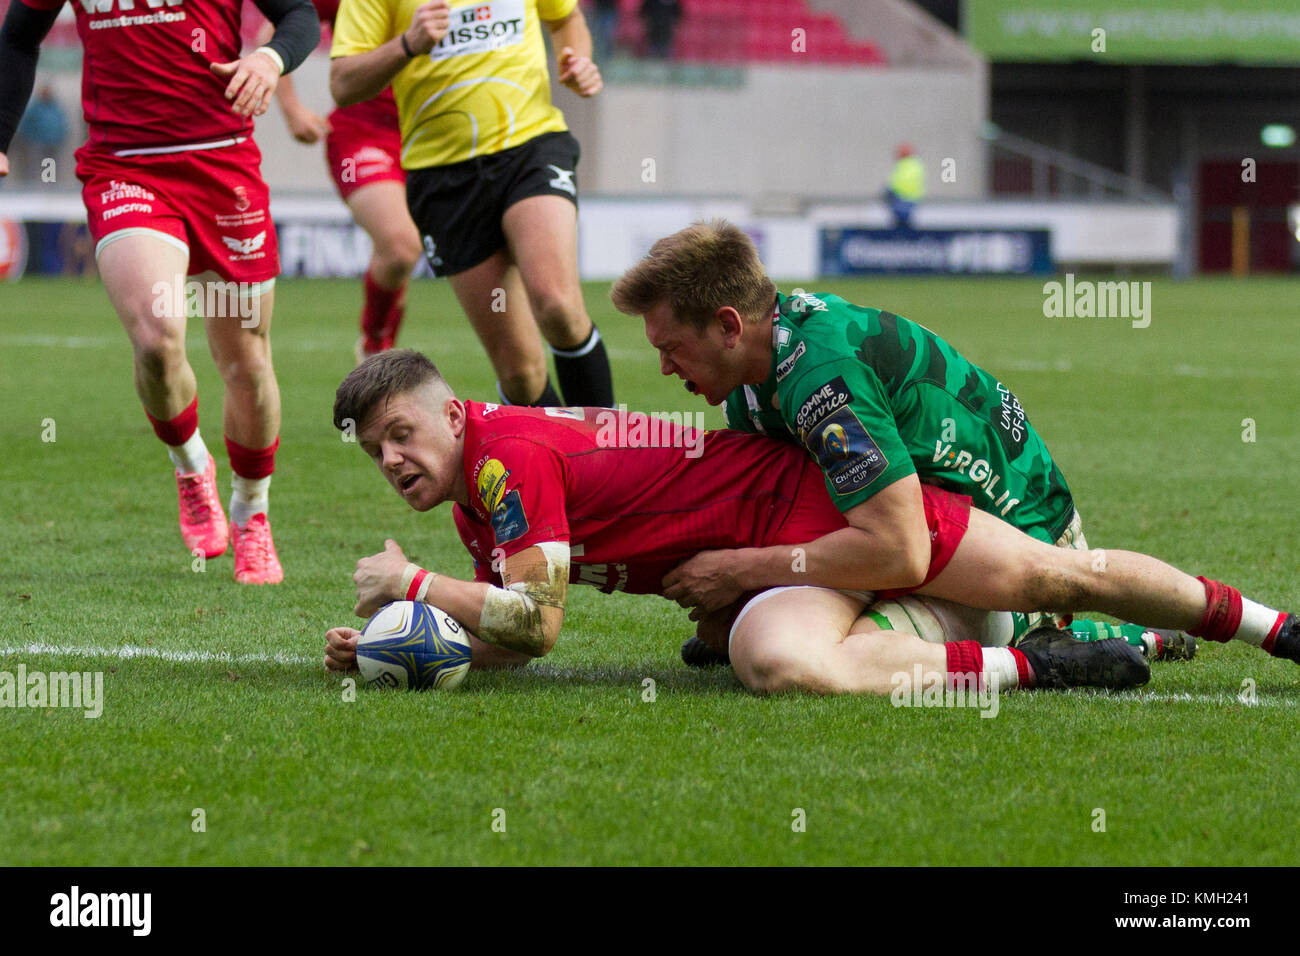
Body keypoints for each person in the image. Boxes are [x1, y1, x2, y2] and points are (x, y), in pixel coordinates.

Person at [609, 220, 1298, 667]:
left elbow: (899, 548)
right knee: (762, 637)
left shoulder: (821, 378)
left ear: (729, 325)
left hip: (1020, 529)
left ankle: (1094, 636)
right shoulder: (752, 379)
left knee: (837, 649)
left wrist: (745, 572)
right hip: (929, 519)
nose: (667, 370)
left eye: (674, 349)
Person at [320, 349, 1151, 696]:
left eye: (403, 434)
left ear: (455, 416)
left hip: (806, 512)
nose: (391, 459)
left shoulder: (508, 463)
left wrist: (413, 584)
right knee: (757, 648)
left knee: (1055, 574)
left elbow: (535, 629)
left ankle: (1239, 629)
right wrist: (405, 637)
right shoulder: (481, 488)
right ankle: (1097, 649)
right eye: (374, 450)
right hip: (775, 536)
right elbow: (508, 634)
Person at [0, 0, 321, 584]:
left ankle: (252, 513)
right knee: (156, 335)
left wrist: (272, 59)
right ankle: (191, 467)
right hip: (126, 167)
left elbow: (298, 12)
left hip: (224, 165)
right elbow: (19, 36)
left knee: (246, 361)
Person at [329, 0, 614, 408]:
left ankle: (613, 456)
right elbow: (343, 84)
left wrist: (579, 60)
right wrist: (408, 44)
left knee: (558, 307)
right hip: (443, 177)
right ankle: (562, 465)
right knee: (520, 372)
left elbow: (566, 18)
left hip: (531, 147)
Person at [258, 4, 422, 362]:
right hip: (363, 134)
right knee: (401, 245)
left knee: (398, 262)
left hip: (435, 135)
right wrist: (291, 110)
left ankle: (385, 355)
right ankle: (373, 349)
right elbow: (272, 31)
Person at [885, 143, 924, 229]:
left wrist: (892, 191)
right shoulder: (907, 164)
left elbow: (903, 182)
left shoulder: (909, 165)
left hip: (905, 198)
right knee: (900, 222)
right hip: (904, 197)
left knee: (903, 223)